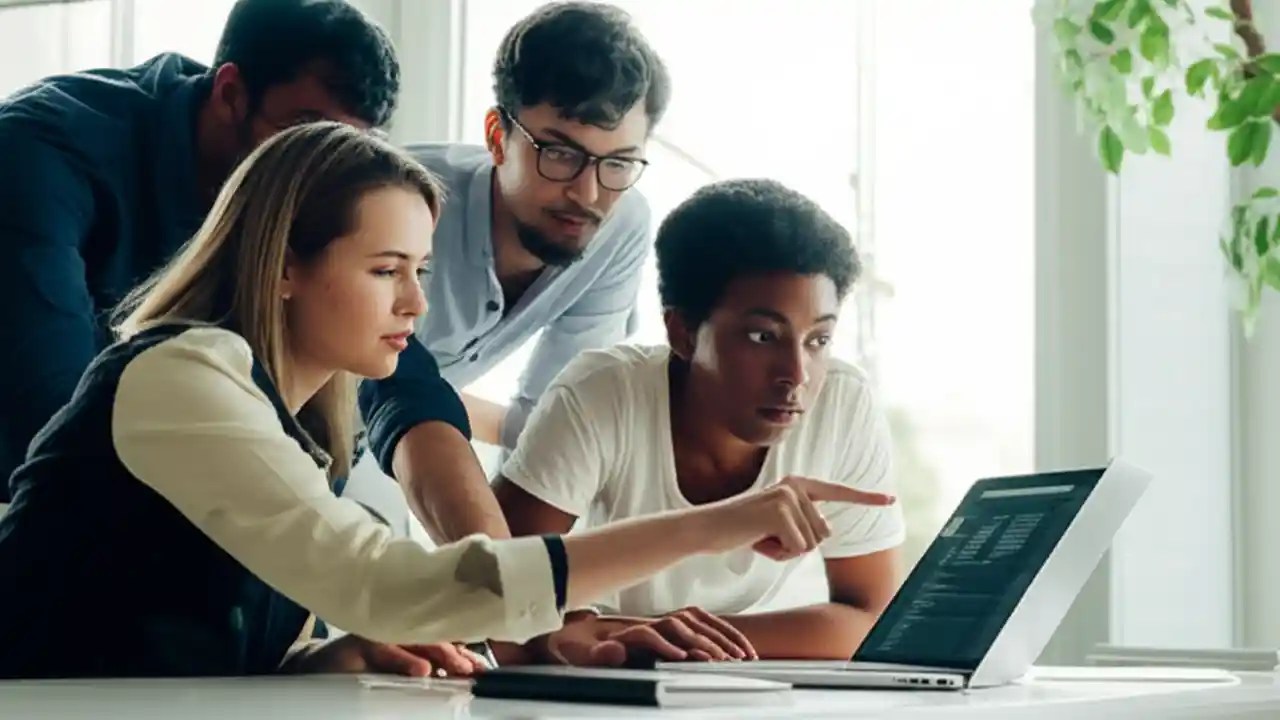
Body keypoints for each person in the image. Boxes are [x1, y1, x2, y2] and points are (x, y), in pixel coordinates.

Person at [0, 123, 895, 679]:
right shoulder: (181, 377)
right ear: (282, 268)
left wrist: (320, 658)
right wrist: (721, 523)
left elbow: (178, 632)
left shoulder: (296, 426)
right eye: (386, 271)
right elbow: (387, 584)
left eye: (421, 271)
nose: (417, 306)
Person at [493, 179, 906, 666]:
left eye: (818, 340)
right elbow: (495, 602)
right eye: (762, 336)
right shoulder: (603, 393)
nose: (795, 375)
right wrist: (603, 637)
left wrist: (677, 637)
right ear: (683, 333)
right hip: (612, 685)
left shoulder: (843, 403)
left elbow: (875, 621)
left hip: (753, 686)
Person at [0, 0, 404, 498]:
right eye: (302, 133)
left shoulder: (313, 197)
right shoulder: (39, 154)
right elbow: (50, 424)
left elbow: (318, 441)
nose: (319, 178)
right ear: (231, 93)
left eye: (346, 151)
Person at [357, 1, 669, 544]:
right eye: (560, 153)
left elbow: (553, 422)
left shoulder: (620, 226)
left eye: (618, 162)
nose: (589, 193)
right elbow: (391, 391)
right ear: (498, 136)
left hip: (388, 444)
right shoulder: (397, 199)